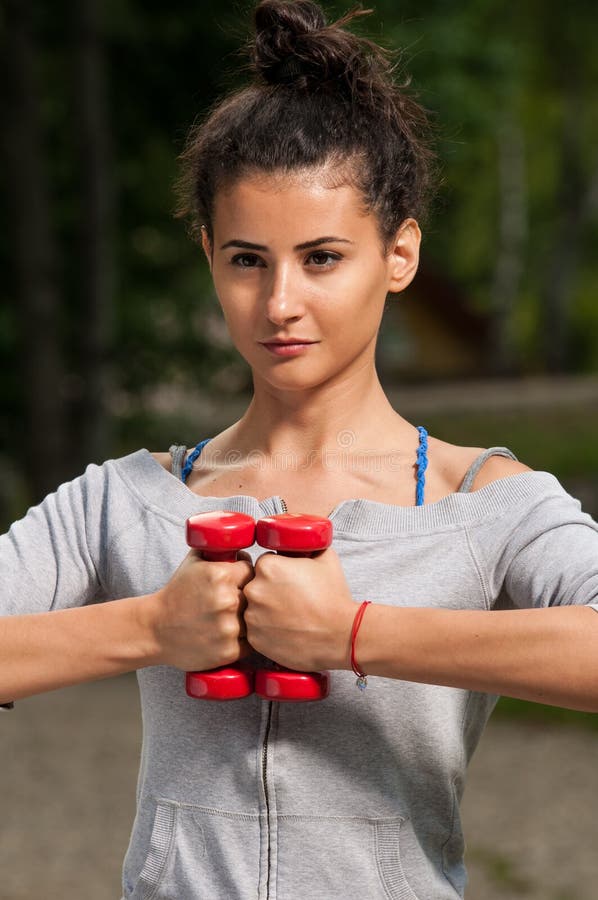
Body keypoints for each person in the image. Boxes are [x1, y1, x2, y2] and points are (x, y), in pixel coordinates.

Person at [2, 1, 598, 898]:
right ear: (208, 254)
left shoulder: (485, 502)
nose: (280, 302)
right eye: (247, 260)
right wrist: (152, 628)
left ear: (399, 256)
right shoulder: (126, 499)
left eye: (322, 258)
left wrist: (352, 633)